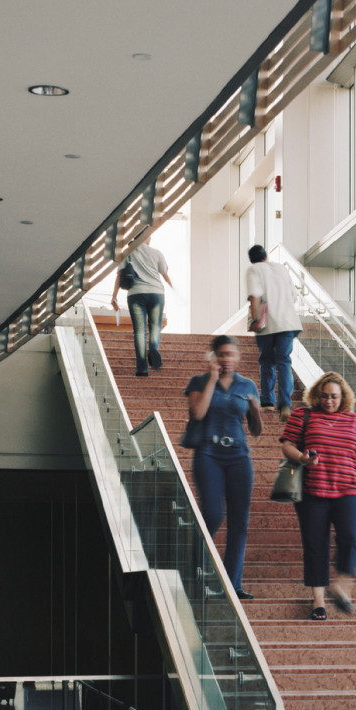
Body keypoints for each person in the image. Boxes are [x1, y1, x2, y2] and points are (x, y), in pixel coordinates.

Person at [279, 371, 356, 620]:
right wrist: (302, 457)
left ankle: (342, 585)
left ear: (343, 396)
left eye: (334, 397)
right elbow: (287, 444)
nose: (329, 401)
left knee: (351, 534)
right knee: (315, 545)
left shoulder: (355, 421)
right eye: (324, 396)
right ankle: (318, 601)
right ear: (316, 396)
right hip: (313, 491)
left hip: (349, 489)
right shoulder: (303, 415)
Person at [185, 335, 263, 598]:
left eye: (230, 354)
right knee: (214, 513)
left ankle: (233, 585)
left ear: (238, 357)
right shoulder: (199, 381)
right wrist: (212, 378)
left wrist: (256, 411)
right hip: (208, 452)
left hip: (239, 454)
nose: (226, 359)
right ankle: (193, 562)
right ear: (213, 356)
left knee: (239, 521)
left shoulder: (248, 384)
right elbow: (198, 413)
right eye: (221, 354)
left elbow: (256, 430)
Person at [245, 244, 304, 418]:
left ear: (252, 259)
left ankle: (268, 402)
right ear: (265, 256)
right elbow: (293, 296)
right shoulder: (280, 269)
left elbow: (255, 295)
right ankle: (285, 404)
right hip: (288, 322)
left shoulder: (253, 270)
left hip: (268, 322)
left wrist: (255, 319)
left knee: (267, 361)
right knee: (284, 361)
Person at [109, 236, 173, 377]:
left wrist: (114, 297)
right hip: (156, 293)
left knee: (139, 331)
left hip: (136, 294)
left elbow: (119, 275)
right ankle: (154, 348)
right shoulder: (156, 253)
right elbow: (164, 274)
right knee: (155, 326)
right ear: (147, 236)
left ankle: (142, 368)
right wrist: (173, 287)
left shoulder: (128, 253)